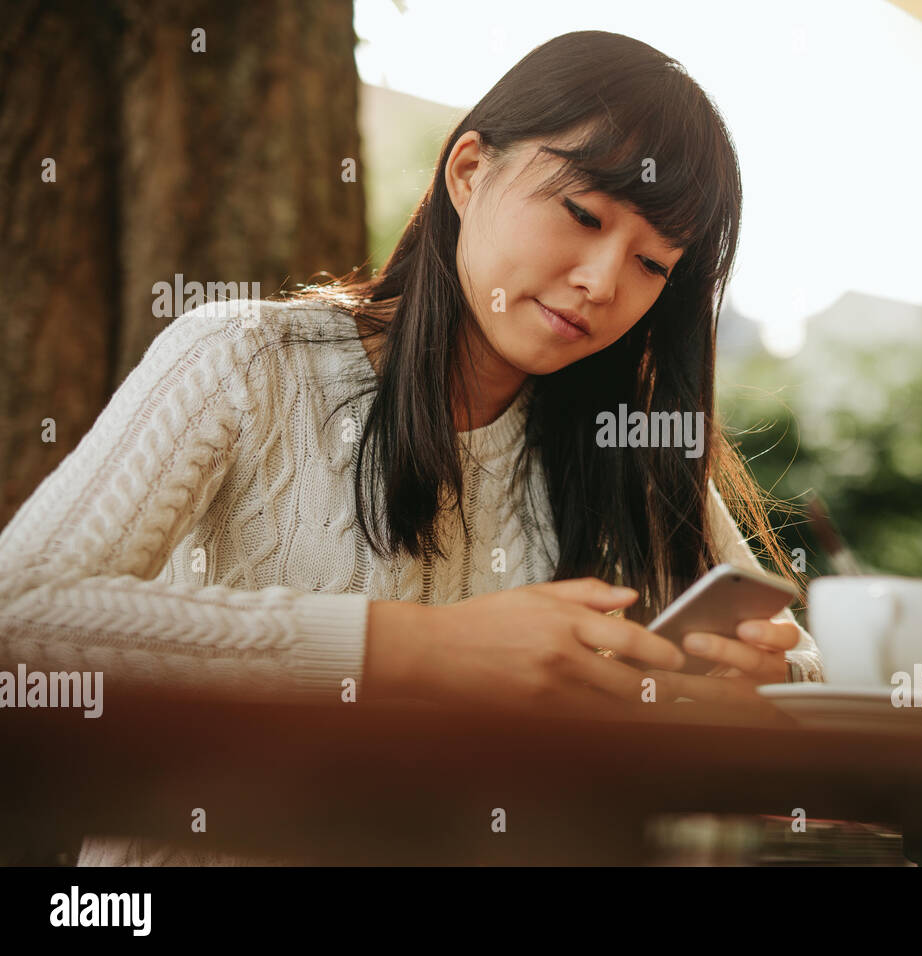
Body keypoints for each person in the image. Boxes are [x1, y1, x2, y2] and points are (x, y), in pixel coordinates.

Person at [0, 30, 824, 866]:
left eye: (652, 263)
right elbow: (16, 620)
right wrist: (414, 650)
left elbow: (807, 674)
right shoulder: (248, 363)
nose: (603, 282)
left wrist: (753, 681)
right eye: (582, 214)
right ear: (469, 171)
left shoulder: (624, 444)